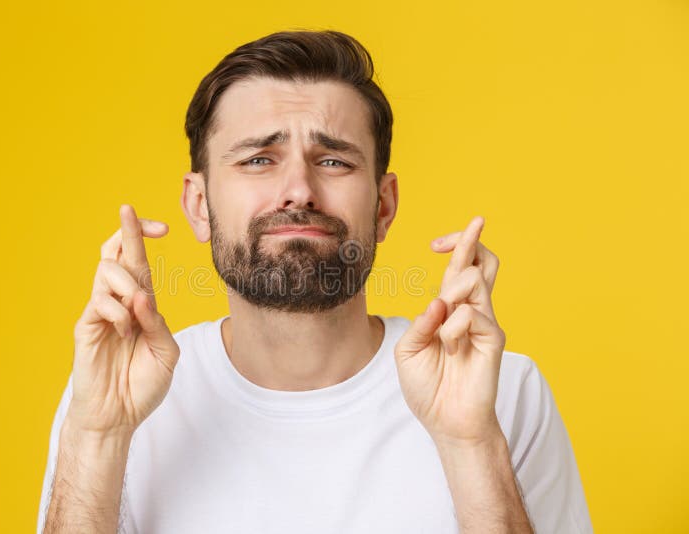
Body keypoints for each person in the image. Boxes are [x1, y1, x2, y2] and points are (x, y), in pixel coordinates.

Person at [37, 30, 592, 534]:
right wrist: (98, 437)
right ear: (199, 205)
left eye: (333, 162)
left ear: (383, 205)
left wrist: (471, 444)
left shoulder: (502, 393)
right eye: (258, 160)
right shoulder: (110, 398)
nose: (298, 189)